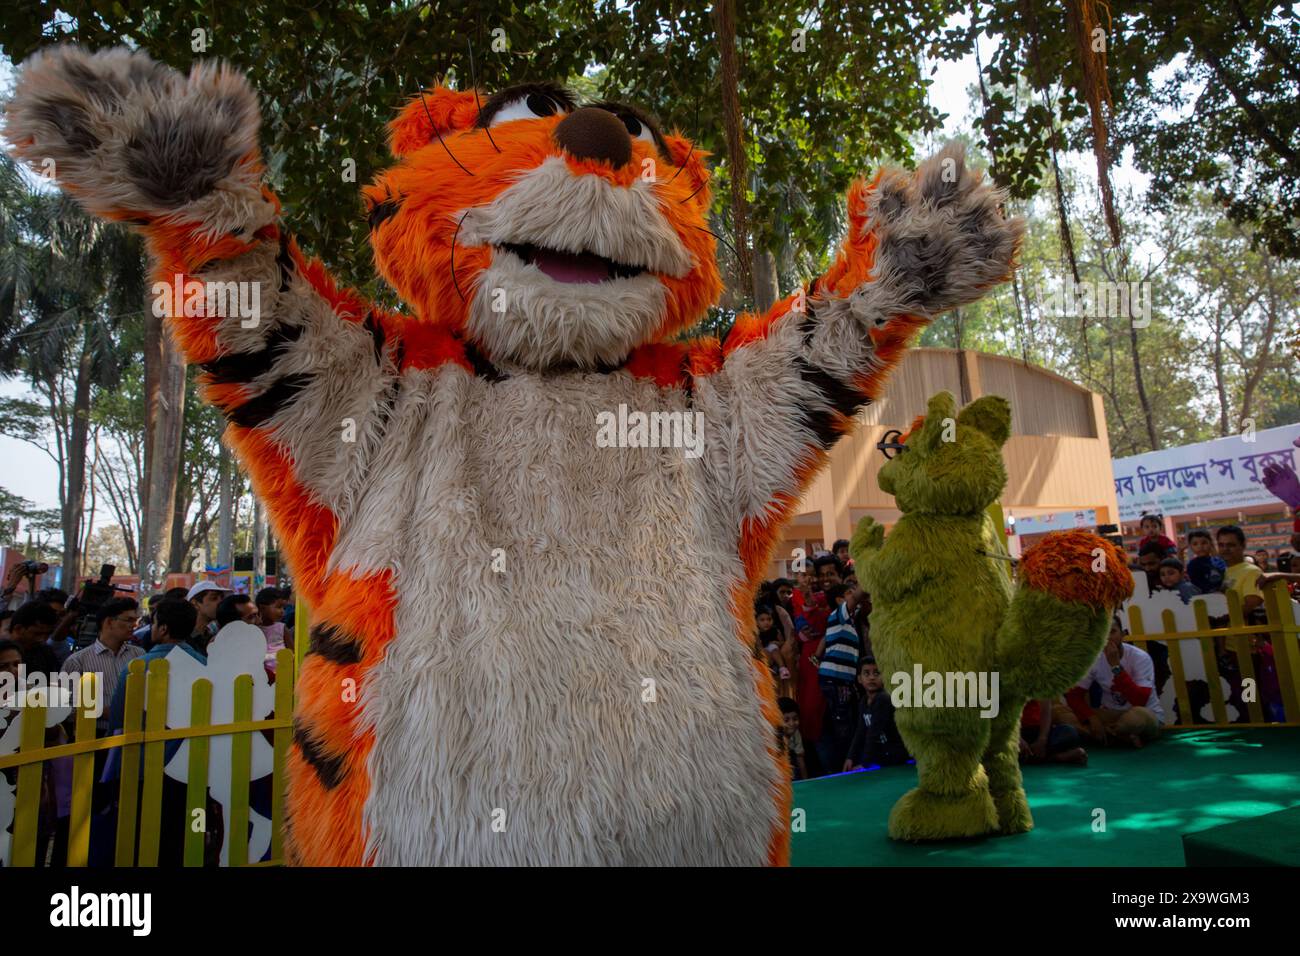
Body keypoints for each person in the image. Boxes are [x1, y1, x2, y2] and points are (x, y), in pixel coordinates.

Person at [1064, 616, 1162, 747]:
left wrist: (1115, 666)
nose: (1107, 638)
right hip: (1110, 714)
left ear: (1123, 634)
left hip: (1143, 714)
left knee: (1135, 719)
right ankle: (1121, 736)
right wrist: (1091, 718)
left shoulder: (1140, 658)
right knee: (1064, 714)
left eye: (1112, 632)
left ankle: (1109, 735)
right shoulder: (1094, 658)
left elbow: (1140, 700)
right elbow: (1073, 696)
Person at [60, 598, 144, 734]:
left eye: (135, 620)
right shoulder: (77, 661)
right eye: (129, 620)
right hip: (93, 735)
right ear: (109, 622)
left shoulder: (139, 655)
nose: (134, 625)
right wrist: (100, 711)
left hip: (133, 733)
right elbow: (65, 707)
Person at [813, 583, 861, 773]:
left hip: (840, 681)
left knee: (843, 723)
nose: (852, 595)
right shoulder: (840, 614)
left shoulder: (847, 622)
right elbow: (857, 597)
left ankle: (844, 765)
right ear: (839, 600)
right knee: (843, 726)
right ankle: (844, 770)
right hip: (836, 681)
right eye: (848, 592)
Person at [843, 657, 907, 770]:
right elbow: (860, 731)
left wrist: (864, 764)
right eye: (866, 674)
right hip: (882, 758)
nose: (872, 677)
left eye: (877, 673)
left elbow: (874, 732)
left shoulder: (884, 698)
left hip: (897, 758)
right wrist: (850, 757)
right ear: (859, 679)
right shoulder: (863, 702)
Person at [1019, 698, 1087, 765]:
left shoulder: (1040, 687)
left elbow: (1046, 711)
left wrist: (1042, 740)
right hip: (1014, 733)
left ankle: (1031, 756)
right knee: (1011, 746)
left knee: (1069, 732)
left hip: (1038, 730)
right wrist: (1018, 739)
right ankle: (1056, 757)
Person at [1216, 525, 1264, 619]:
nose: (1225, 549)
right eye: (1221, 545)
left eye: (1231, 545)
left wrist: (1219, 619)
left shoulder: (1252, 572)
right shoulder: (1219, 571)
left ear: (1243, 545)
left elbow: (1251, 606)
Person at [9, 601, 59, 679]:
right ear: (18, 629)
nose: (43, 639)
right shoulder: (3, 655)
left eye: (48, 634)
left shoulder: (46, 653)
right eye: (37, 634)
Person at [186, 581, 231, 653]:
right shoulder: (183, 638)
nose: (221, 602)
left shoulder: (214, 633)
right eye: (214, 598)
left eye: (222, 598)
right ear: (195, 604)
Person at [1185, 528, 1226, 594]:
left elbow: (1224, 575)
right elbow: (1197, 584)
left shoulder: (1218, 561)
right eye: (1195, 544)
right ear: (1191, 547)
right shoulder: (1192, 565)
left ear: (1210, 543)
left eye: (1204, 543)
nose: (1200, 546)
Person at [777, 697, 808, 781]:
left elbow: (800, 759)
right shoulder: (775, 736)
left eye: (795, 719)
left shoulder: (796, 733)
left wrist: (805, 781)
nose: (792, 723)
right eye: (786, 720)